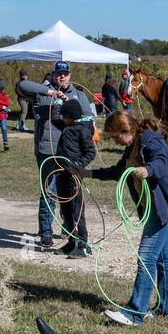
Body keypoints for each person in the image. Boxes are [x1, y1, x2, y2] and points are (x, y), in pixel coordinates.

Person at [87, 111, 168, 325]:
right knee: (162, 260)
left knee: (146, 258)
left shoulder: (149, 140)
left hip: (166, 208)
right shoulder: (132, 145)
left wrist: (148, 169)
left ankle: (134, 314)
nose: (114, 141)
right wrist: (85, 173)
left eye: (115, 136)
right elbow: (119, 171)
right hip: (157, 208)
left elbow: (163, 162)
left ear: (126, 130)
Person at [17, 61, 92, 248]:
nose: (62, 76)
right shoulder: (41, 93)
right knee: (48, 192)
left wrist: (71, 106)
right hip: (47, 150)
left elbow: (89, 120)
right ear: (53, 75)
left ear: (70, 75)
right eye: (58, 73)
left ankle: (68, 229)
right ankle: (46, 231)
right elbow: (21, 86)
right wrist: (49, 93)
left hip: (69, 153)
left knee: (69, 193)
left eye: (65, 73)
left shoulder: (78, 94)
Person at [52, 98, 95, 259]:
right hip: (61, 174)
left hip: (73, 176)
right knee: (66, 210)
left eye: (65, 115)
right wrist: (57, 103)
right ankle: (72, 242)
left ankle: (83, 244)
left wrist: (77, 165)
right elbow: (54, 118)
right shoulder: (66, 126)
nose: (62, 118)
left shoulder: (83, 130)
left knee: (77, 210)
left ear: (71, 116)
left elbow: (90, 153)